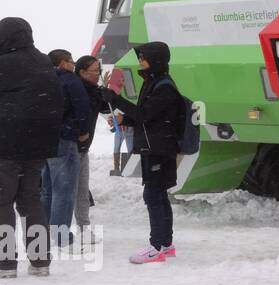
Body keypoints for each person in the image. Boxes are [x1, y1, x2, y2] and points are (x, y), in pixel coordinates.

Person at [103, 42, 185, 264]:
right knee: (158, 195)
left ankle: (156, 246)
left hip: (160, 149)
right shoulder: (152, 82)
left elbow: (145, 114)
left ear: (156, 59)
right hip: (155, 147)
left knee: (153, 195)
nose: (140, 62)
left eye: (143, 58)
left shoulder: (164, 86)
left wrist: (116, 99)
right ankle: (166, 245)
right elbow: (146, 116)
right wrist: (123, 118)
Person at [0, 17, 62, 279]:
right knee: (31, 202)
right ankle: (40, 262)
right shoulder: (44, 61)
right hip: (37, 147)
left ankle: (5, 264)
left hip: (6, 145)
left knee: (2, 202)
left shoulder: (3, 63)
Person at [40, 49, 91, 249]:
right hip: (65, 139)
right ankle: (61, 235)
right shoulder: (70, 80)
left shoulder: (41, 80)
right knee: (65, 189)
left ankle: (42, 230)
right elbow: (82, 107)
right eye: (71, 61)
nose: (74, 64)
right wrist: (82, 131)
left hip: (45, 140)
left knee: (47, 189)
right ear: (62, 63)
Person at [74, 55, 110, 245]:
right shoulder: (75, 89)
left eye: (99, 70)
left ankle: (83, 230)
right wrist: (78, 133)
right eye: (95, 71)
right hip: (68, 148)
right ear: (82, 72)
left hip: (83, 149)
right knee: (62, 193)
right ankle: (58, 233)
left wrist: (109, 92)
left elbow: (105, 107)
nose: (98, 74)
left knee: (81, 192)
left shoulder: (95, 91)